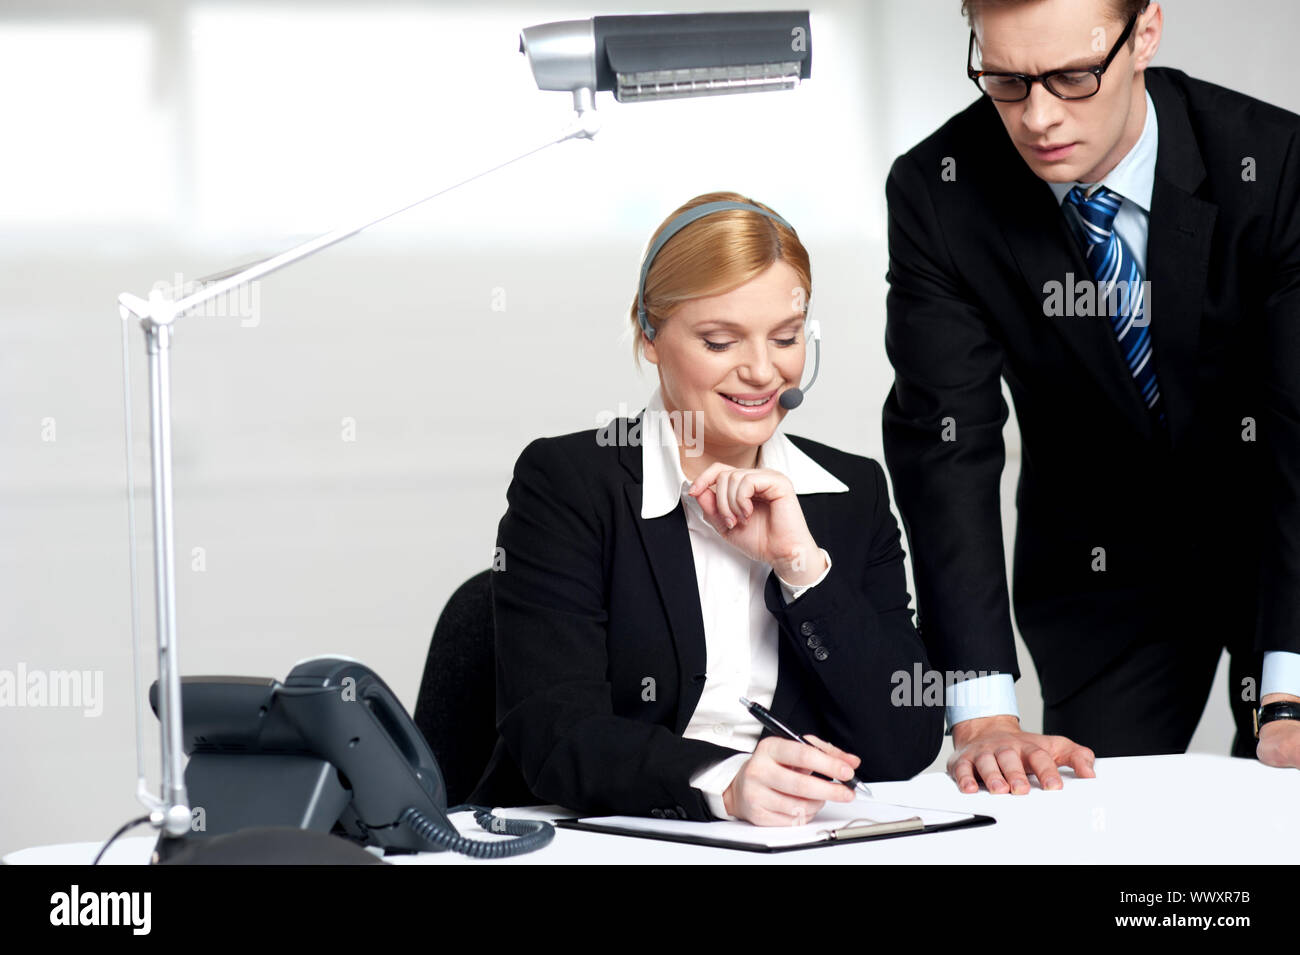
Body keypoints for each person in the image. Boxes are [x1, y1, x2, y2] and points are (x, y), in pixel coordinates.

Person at [882, 0, 1300, 797]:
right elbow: (946, 447)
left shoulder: (1275, 162)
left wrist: (1290, 690)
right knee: (1087, 814)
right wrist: (982, 713)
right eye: (1005, 81)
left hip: (1279, 537)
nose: (1038, 118)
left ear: (1144, 34)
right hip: (1100, 567)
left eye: (1073, 77)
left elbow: (1298, 428)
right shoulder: (940, 191)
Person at [469, 192, 944, 824]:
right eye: (720, 341)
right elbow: (556, 732)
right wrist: (724, 781)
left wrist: (802, 569)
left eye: (785, 337)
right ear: (649, 334)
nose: (761, 371)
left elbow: (904, 743)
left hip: (793, 840)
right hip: (614, 833)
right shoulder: (570, 482)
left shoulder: (850, 492)